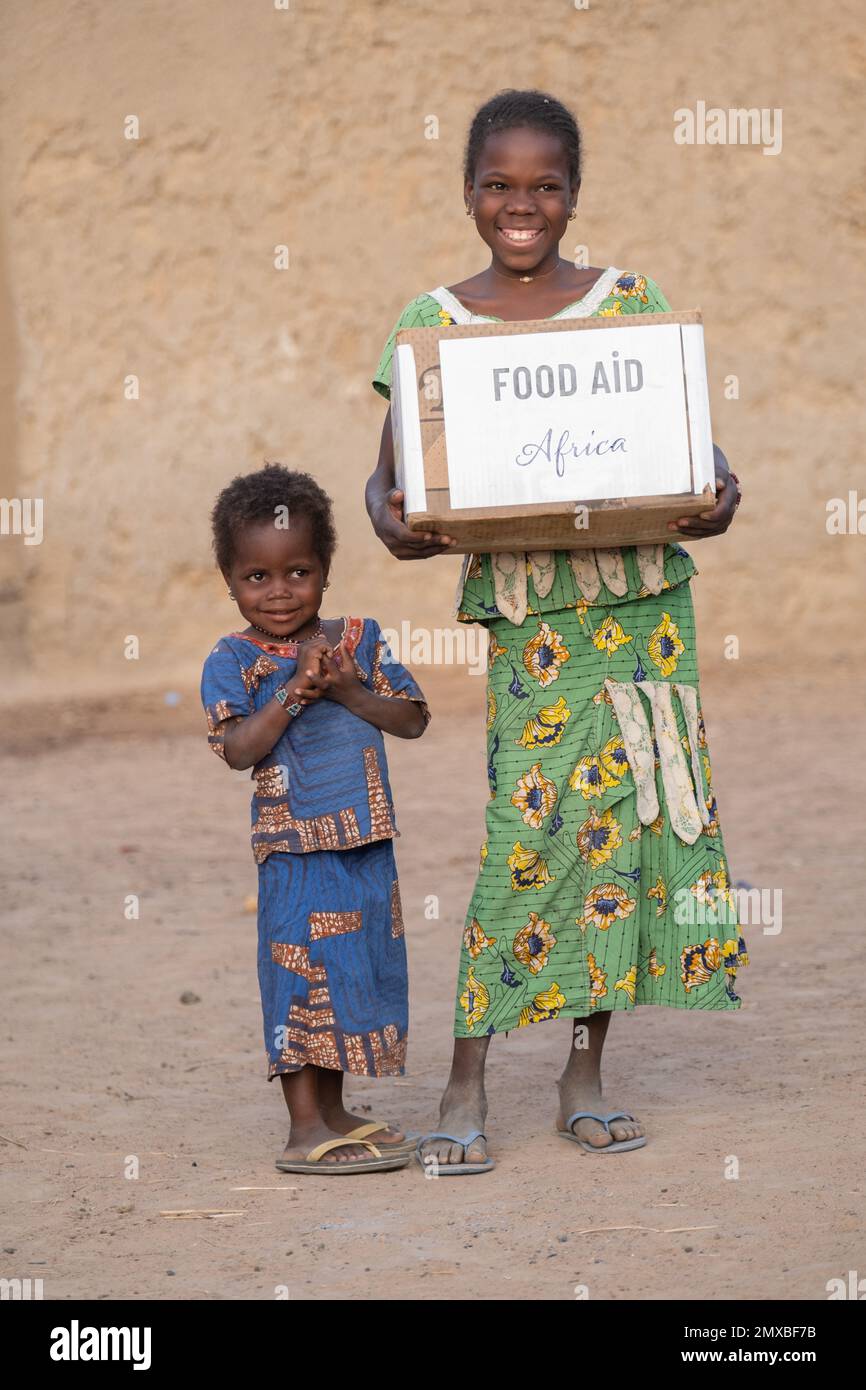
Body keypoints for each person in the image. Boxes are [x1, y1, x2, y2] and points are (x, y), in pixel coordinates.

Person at [366, 89, 748, 1175]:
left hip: (639, 621)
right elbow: (387, 478)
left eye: (543, 185)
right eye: (498, 184)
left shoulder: (631, 303)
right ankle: (465, 1080)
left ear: (572, 193)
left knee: (623, 841)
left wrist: (716, 497)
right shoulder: (430, 326)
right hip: (534, 631)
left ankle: (583, 1075)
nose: (520, 205)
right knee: (519, 843)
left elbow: (697, 462)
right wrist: (390, 521)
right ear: (469, 193)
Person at [201, 463, 431, 1174]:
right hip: (295, 852)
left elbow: (414, 719)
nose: (278, 592)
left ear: (326, 569)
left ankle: (334, 1112)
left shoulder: (358, 640)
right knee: (300, 979)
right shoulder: (233, 659)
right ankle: (304, 1129)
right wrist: (295, 693)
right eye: (257, 578)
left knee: (353, 973)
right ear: (231, 581)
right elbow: (238, 749)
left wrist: (351, 691)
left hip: (366, 842)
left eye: (297, 572)